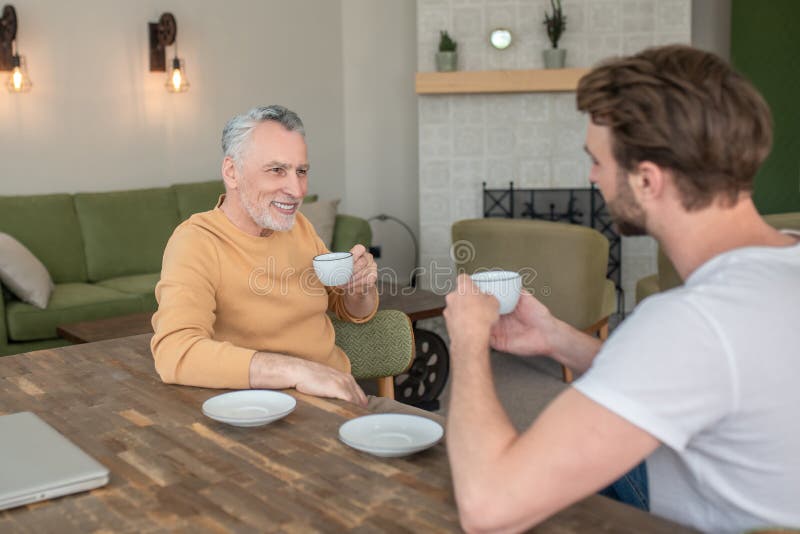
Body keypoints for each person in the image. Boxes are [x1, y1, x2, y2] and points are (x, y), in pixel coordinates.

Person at [442, 45, 800, 533]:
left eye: (597, 161)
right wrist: (557, 337)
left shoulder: (692, 321)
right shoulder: (782, 263)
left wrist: (465, 340)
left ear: (648, 180)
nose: (593, 177)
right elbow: (692, 375)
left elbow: (488, 508)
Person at [151, 105, 378, 406]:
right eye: (276, 170)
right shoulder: (196, 242)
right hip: (261, 411)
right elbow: (176, 352)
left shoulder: (299, 227)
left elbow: (351, 309)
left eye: (301, 171)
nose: (296, 190)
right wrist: (298, 371)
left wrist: (360, 289)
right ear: (232, 172)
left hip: (337, 397)